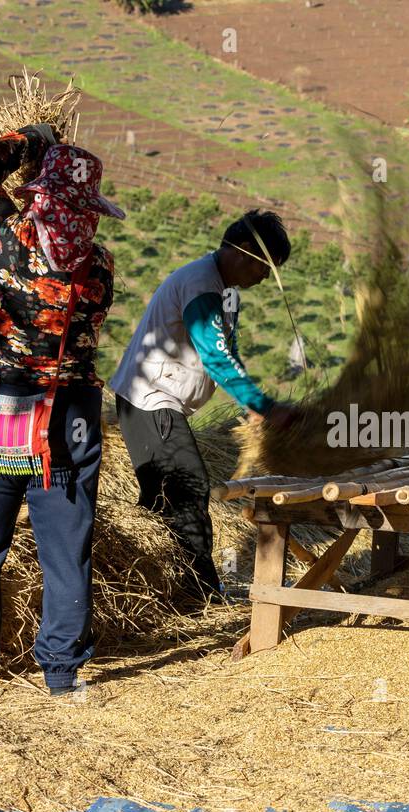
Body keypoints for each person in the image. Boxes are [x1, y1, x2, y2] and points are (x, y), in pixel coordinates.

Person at [0, 123, 121, 695]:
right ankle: (62, 671)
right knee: (65, 547)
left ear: (38, 196)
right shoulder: (99, 267)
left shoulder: (0, 240)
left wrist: (28, 140)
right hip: (67, 416)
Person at [109, 210, 296, 603]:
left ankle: (155, 592)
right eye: (267, 268)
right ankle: (200, 598)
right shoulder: (201, 284)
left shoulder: (223, 290)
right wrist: (262, 404)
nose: (265, 278)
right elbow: (215, 356)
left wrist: (252, 407)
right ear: (245, 252)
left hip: (159, 404)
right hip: (151, 401)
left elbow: (229, 351)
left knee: (164, 498)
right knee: (187, 493)